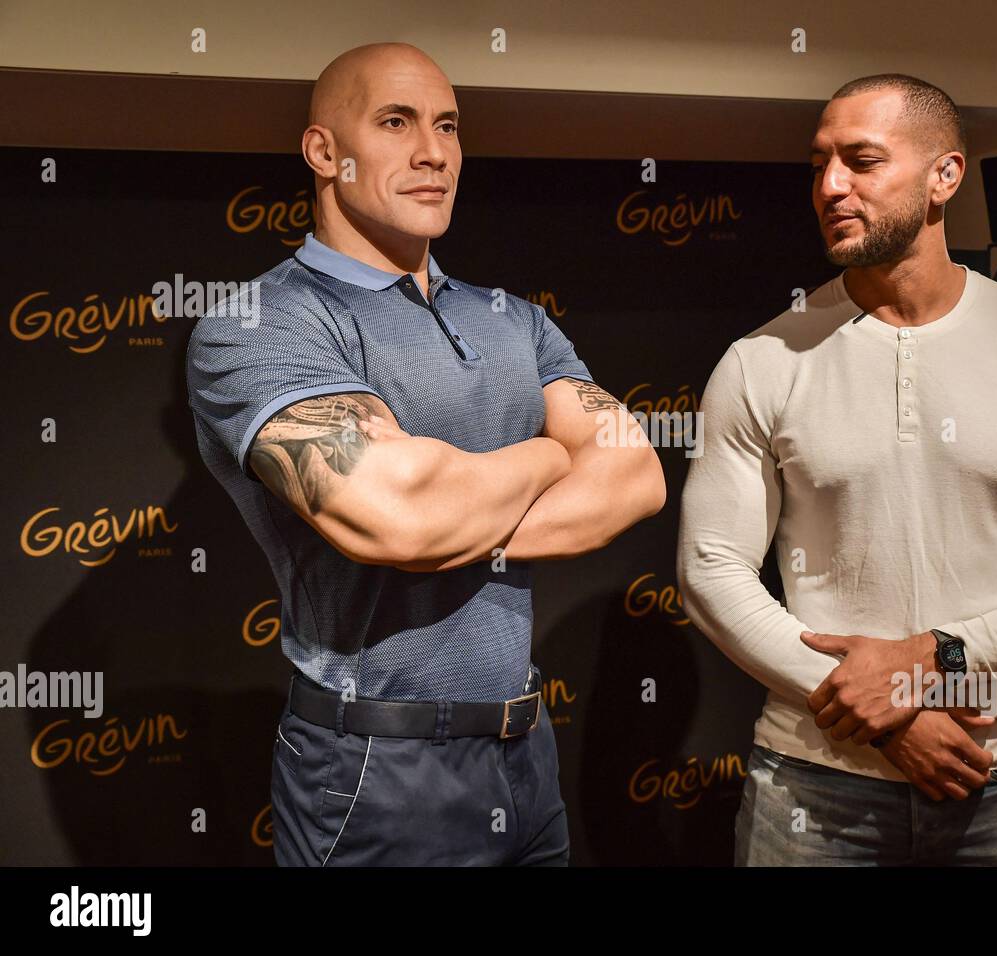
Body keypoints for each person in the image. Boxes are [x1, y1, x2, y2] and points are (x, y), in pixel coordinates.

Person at [185, 42, 665, 865]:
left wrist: (459, 516)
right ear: (324, 153)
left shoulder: (514, 319)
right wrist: (551, 456)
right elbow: (400, 515)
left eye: (447, 127)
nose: (433, 152)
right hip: (376, 764)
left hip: (526, 748)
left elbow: (636, 472)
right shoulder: (262, 321)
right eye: (396, 122)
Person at [677, 73, 997, 866]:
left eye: (862, 160)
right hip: (810, 780)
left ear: (945, 176)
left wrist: (935, 654)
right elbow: (710, 570)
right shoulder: (761, 361)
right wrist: (887, 712)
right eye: (820, 162)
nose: (831, 185)